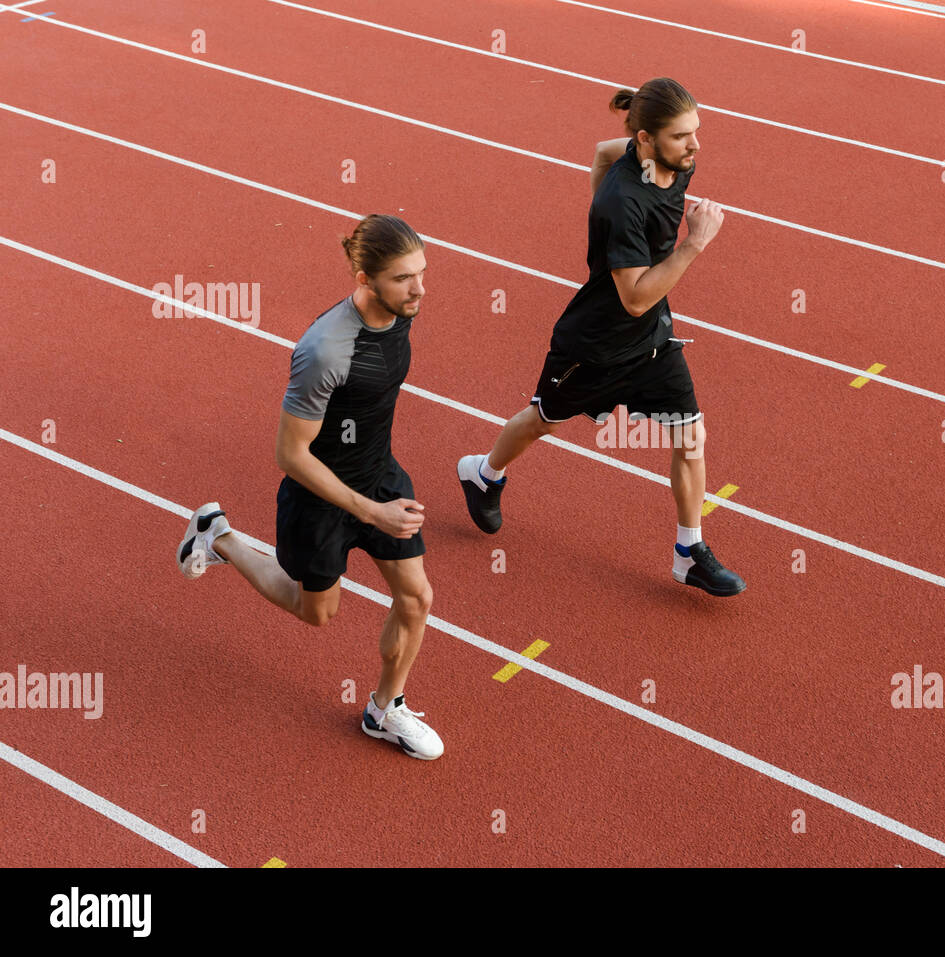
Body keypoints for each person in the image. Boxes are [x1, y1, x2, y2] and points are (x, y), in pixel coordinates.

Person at [457, 78, 746, 597]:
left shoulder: (673, 161)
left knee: (690, 437)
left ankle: (688, 551)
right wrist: (693, 245)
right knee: (542, 420)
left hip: (652, 340)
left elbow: (600, 150)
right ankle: (483, 472)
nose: (696, 146)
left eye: (696, 132)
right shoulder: (622, 204)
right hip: (595, 346)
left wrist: (606, 182)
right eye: (682, 136)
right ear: (647, 139)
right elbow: (634, 296)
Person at [176, 214, 444, 759]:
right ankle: (219, 534)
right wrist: (371, 512)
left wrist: (377, 499)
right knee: (315, 612)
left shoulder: (401, 312)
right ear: (365, 278)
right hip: (319, 502)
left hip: (380, 479)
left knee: (416, 598)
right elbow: (289, 454)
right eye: (402, 278)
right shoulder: (324, 351)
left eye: (421, 272)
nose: (419, 288)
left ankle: (384, 710)